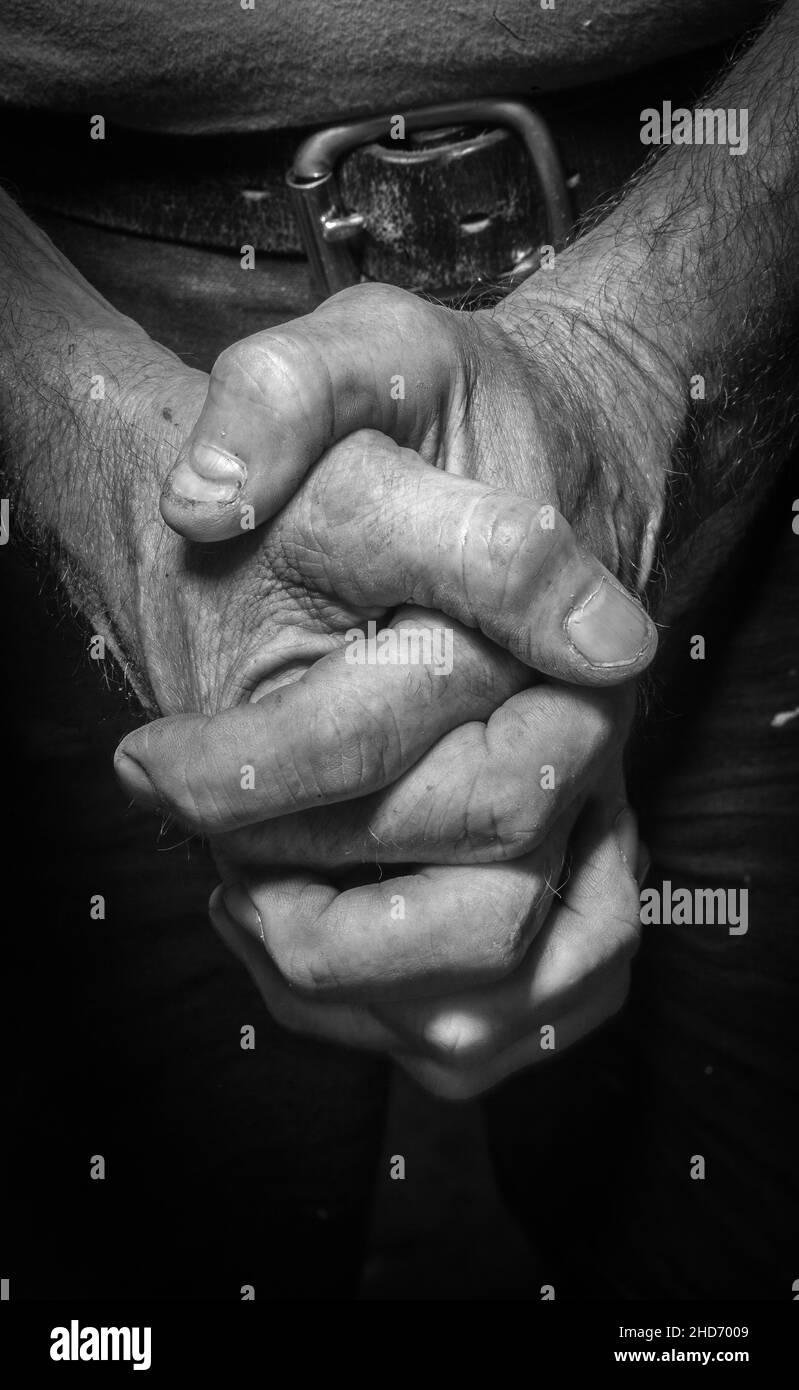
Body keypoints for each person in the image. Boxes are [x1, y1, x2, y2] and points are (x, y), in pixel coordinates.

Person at [2, 0, 797, 1298]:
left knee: (724, 1282)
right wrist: (67, 424)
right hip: (65, 268)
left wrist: (648, 357)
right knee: (132, 1275)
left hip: (739, 215)